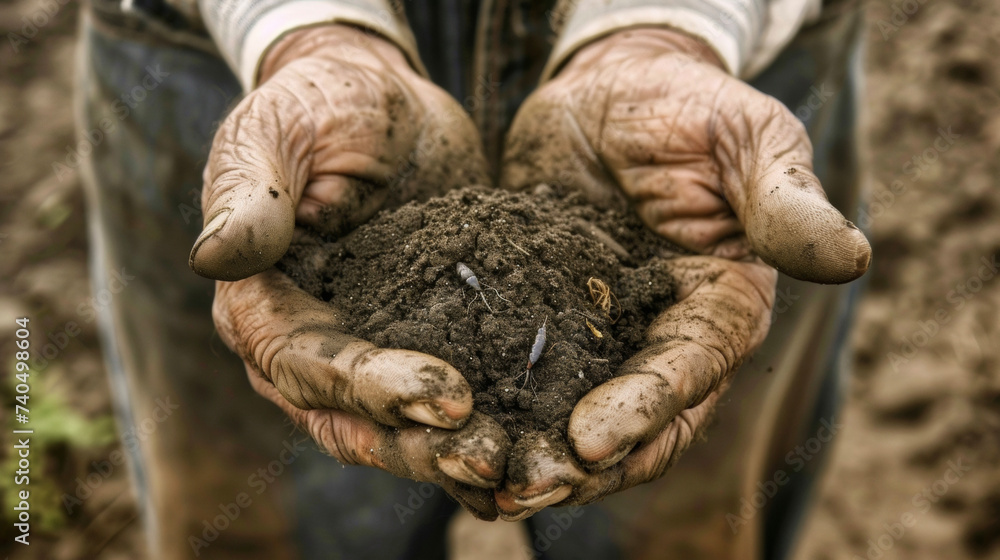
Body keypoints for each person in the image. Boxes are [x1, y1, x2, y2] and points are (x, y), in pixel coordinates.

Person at [78, 0, 870, 557]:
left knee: (687, 532)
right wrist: (300, 32)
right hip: (235, 56)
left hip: (723, 60)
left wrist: (672, 30)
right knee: (258, 532)